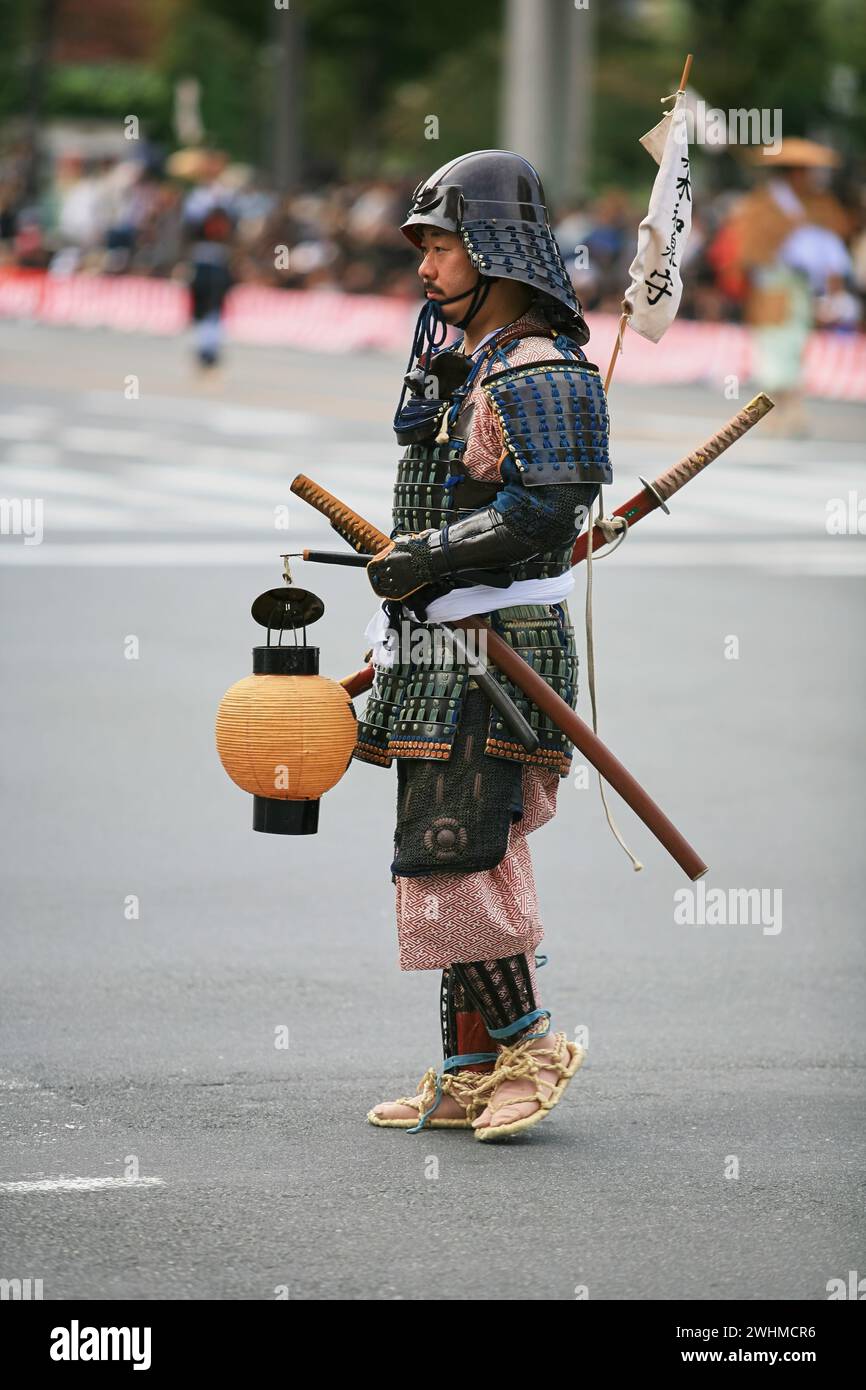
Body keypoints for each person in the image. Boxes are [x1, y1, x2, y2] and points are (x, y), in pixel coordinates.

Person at [357, 150, 612, 1141]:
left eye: (439, 245)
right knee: (442, 849)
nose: (422, 267)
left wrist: (419, 554)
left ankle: (531, 1043)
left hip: (498, 642)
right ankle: (467, 1068)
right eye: (420, 246)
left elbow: (546, 510)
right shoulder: (476, 363)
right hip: (441, 643)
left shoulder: (544, 369)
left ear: (496, 252)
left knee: (459, 852)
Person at [726, 138, 853, 436]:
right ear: (795, 173)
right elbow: (749, 251)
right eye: (808, 172)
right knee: (774, 350)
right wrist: (786, 228)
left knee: (794, 348)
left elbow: (835, 241)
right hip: (771, 289)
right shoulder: (762, 205)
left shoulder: (817, 205)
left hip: (800, 289)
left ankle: (790, 410)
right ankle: (779, 412)